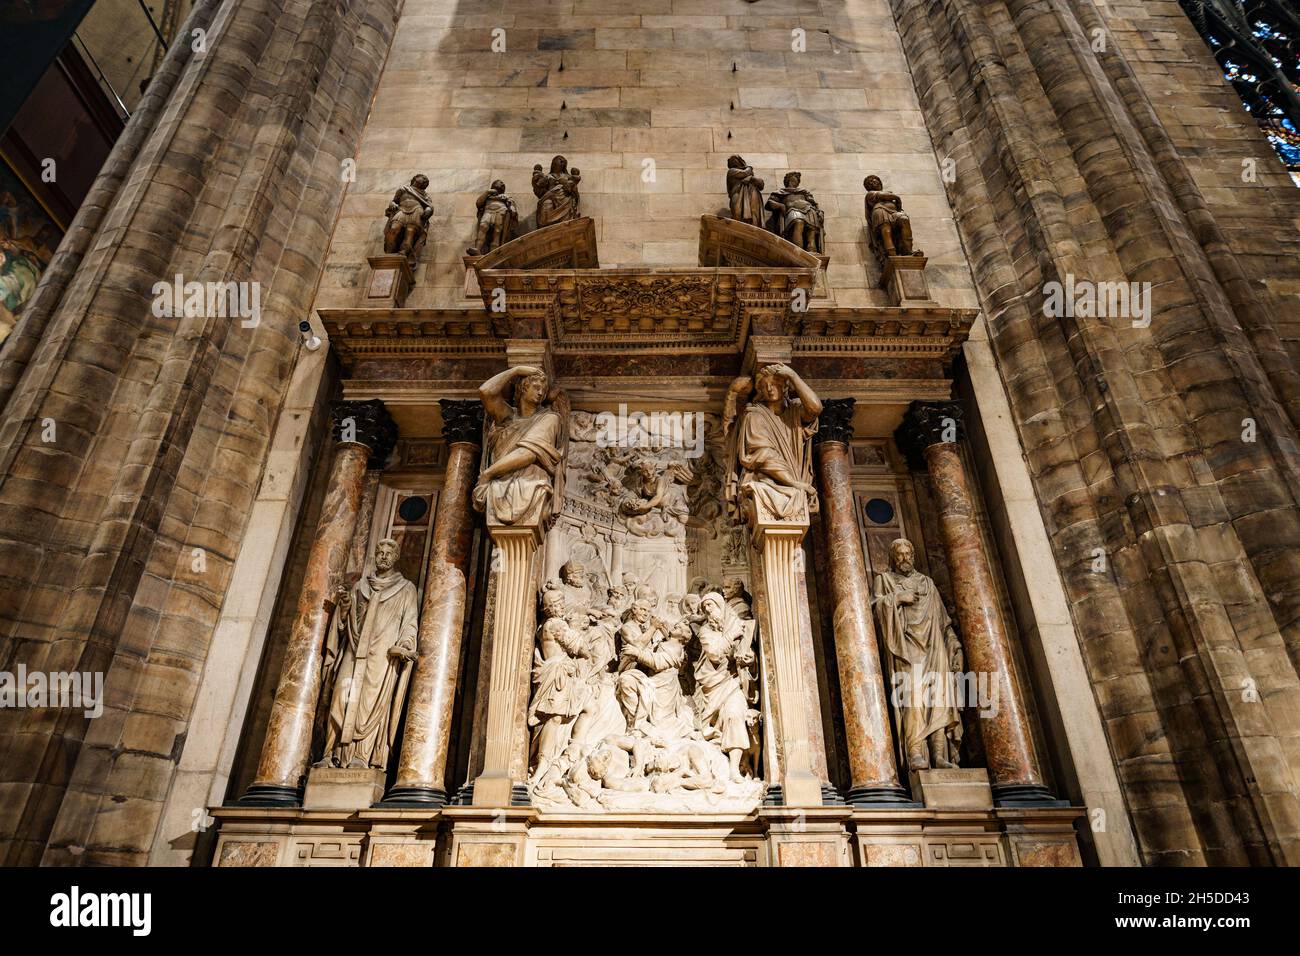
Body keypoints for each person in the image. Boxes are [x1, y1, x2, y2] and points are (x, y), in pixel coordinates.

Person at [316, 538, 418, 770]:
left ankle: (361, 756)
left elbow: (410, 622)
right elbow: (344, 624)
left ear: (396, 557)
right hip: (354, 649)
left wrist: (403, 645)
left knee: (370, 702)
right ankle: (331, 753)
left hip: (382, 655)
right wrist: (343, 609)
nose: (383, 556)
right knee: (341, 695)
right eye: (379, 552)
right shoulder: (359, 587)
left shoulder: (405, 589)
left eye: (388, 553)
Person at [871, 538, 964, 770]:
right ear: (893, 557)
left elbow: (944, 623)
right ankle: (915, 753)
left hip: (934, 647)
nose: (905, 558)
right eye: (900, 555)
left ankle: (939, 756)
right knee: (912, 699)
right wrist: (897, 598)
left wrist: (956, 648)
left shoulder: (927, 584)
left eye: (908, 554)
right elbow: (873, 611)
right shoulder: (885, 581)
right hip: (905, 649)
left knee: (939, 699)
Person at [473, 366, 565, 527]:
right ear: (523, 387)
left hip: (529, 483)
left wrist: (488, 474)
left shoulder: (550, 418)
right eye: (536, 387)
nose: (540, 393)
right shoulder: (507, 417)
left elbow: (527, 453)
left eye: (543, 390)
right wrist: (515, 371)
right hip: (499, 483)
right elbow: (485, 392)